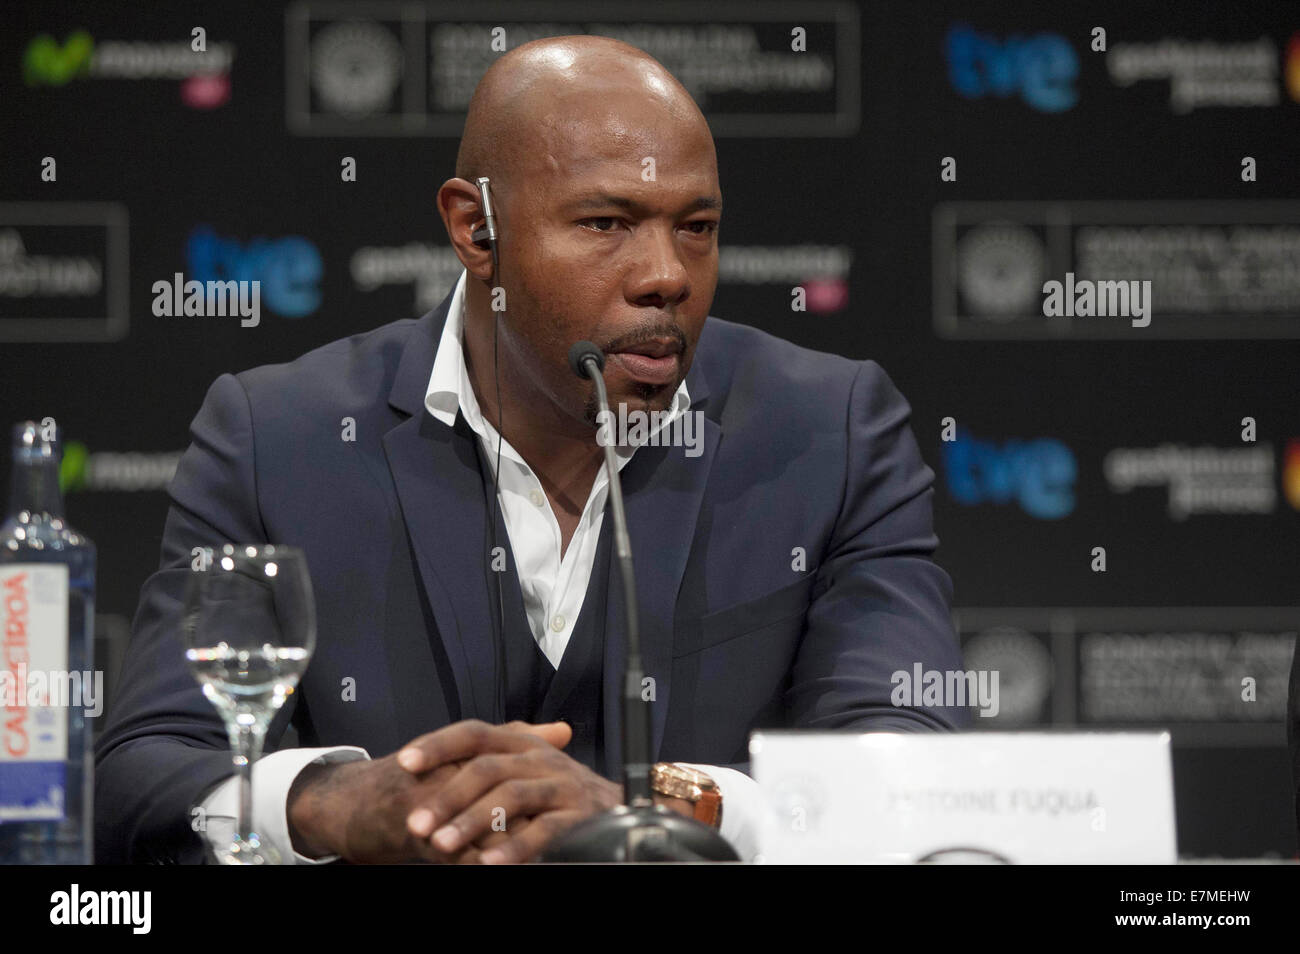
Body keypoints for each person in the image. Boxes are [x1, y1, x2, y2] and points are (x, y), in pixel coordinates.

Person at [94, 35, 968, 865]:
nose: (666, 273)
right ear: (477, 230)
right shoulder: (277, 437)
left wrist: (665, 810)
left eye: (695, 226)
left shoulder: (829, 431)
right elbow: (144, 774)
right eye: (605, 223)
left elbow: (907, 768)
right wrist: (339, 804)